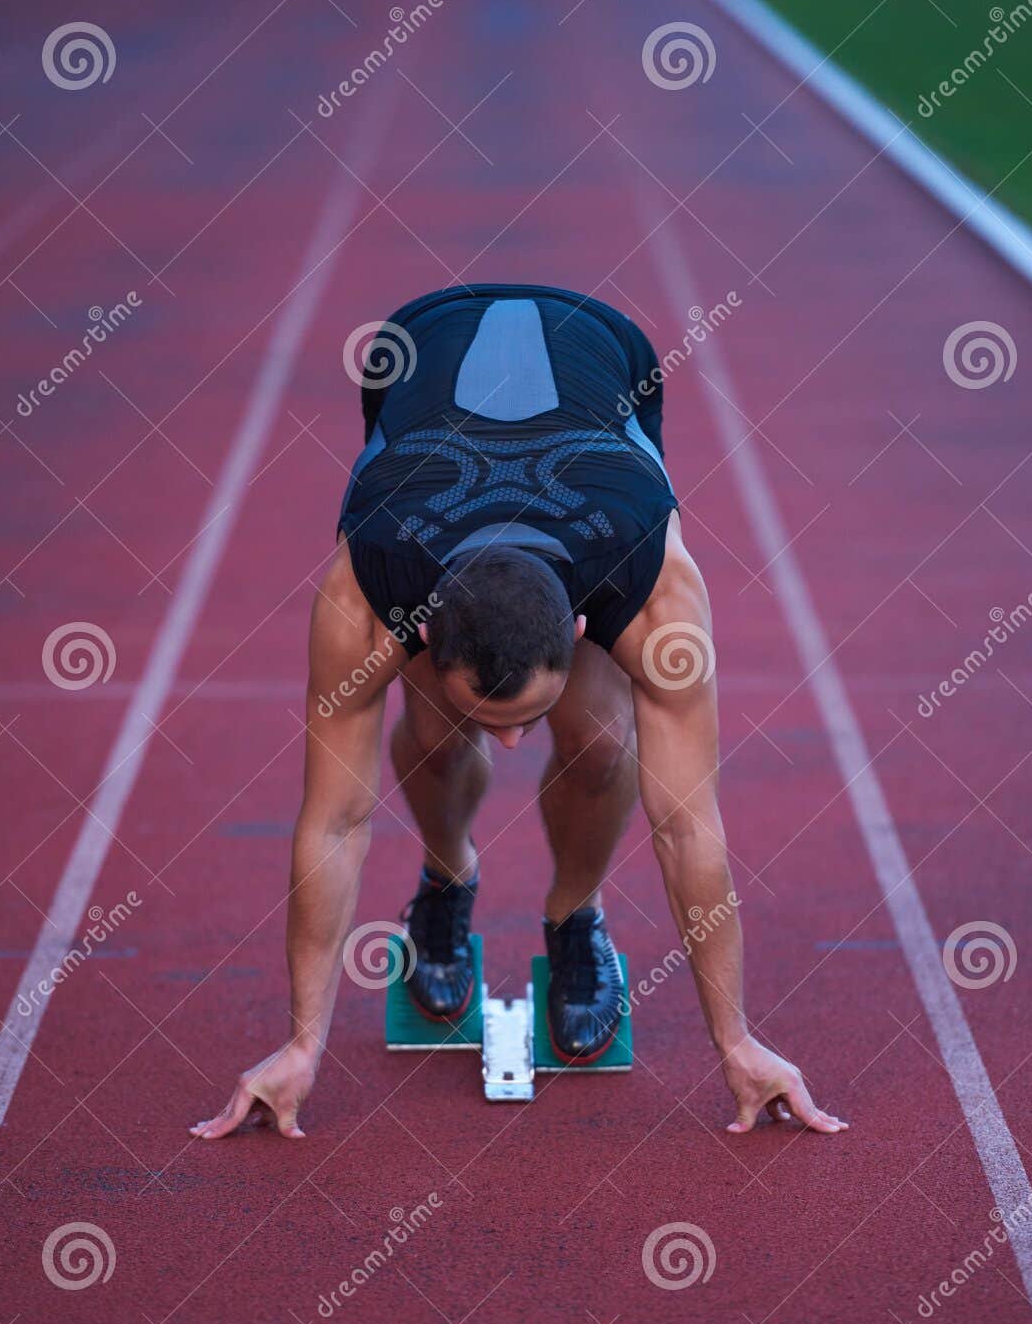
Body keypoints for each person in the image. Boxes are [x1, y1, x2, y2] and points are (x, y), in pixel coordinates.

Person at [190, 284, 846, 1141]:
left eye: (524, 713)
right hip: (415, 356)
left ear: (582, 627)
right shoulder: (371, 589)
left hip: (606, 358)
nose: (510, 741)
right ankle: (445, 878)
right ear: (420, 633)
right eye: (491, 717)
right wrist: (301, 1045)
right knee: (432, 736)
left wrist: (738, 1042)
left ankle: (577, 917)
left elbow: (689, 829)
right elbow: (337, 821)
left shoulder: (650, 585)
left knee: (601, 743)